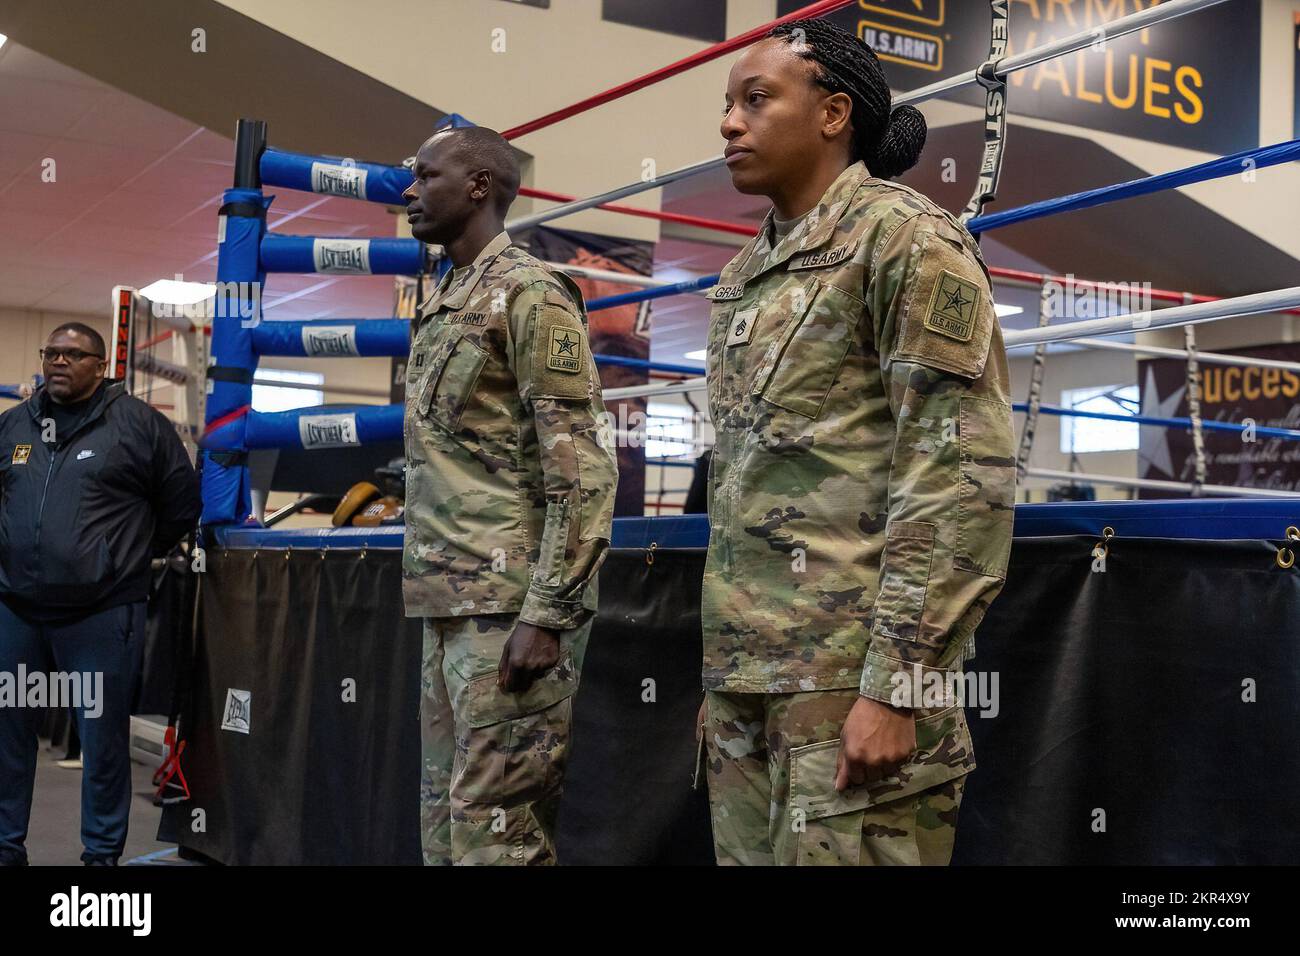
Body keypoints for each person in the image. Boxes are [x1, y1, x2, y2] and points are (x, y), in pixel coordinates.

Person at [698, 19, 1016, 865]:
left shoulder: (906, 240)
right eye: (727, 104)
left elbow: (958, 479)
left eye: (755, 100)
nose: (729, 122)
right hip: (748, 690)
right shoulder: (741, 278)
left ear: (834, 113)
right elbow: (737, 487)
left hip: (854, 689)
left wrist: (901, 685)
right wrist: (726, 685)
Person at [401, 126, 618, 865]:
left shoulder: (530, 292)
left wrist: (549, 612)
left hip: (507, 610)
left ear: (479, 186)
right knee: (447, 827)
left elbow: (582, 467)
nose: (409, 190)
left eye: (427, 175)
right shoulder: (444, 300)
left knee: (500, 838)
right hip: (447, 604)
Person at [0, 322, 201, 865]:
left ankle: (101, 859)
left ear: (101, 364)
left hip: (99, 614)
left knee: (101, 744)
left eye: (73, 354)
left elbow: (182, 505)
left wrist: (121, 558)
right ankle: (5, 849)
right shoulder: (14, 426)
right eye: (51, 353)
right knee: (9, 740)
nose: (58, 362)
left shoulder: (138, 427)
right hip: (18, 611)